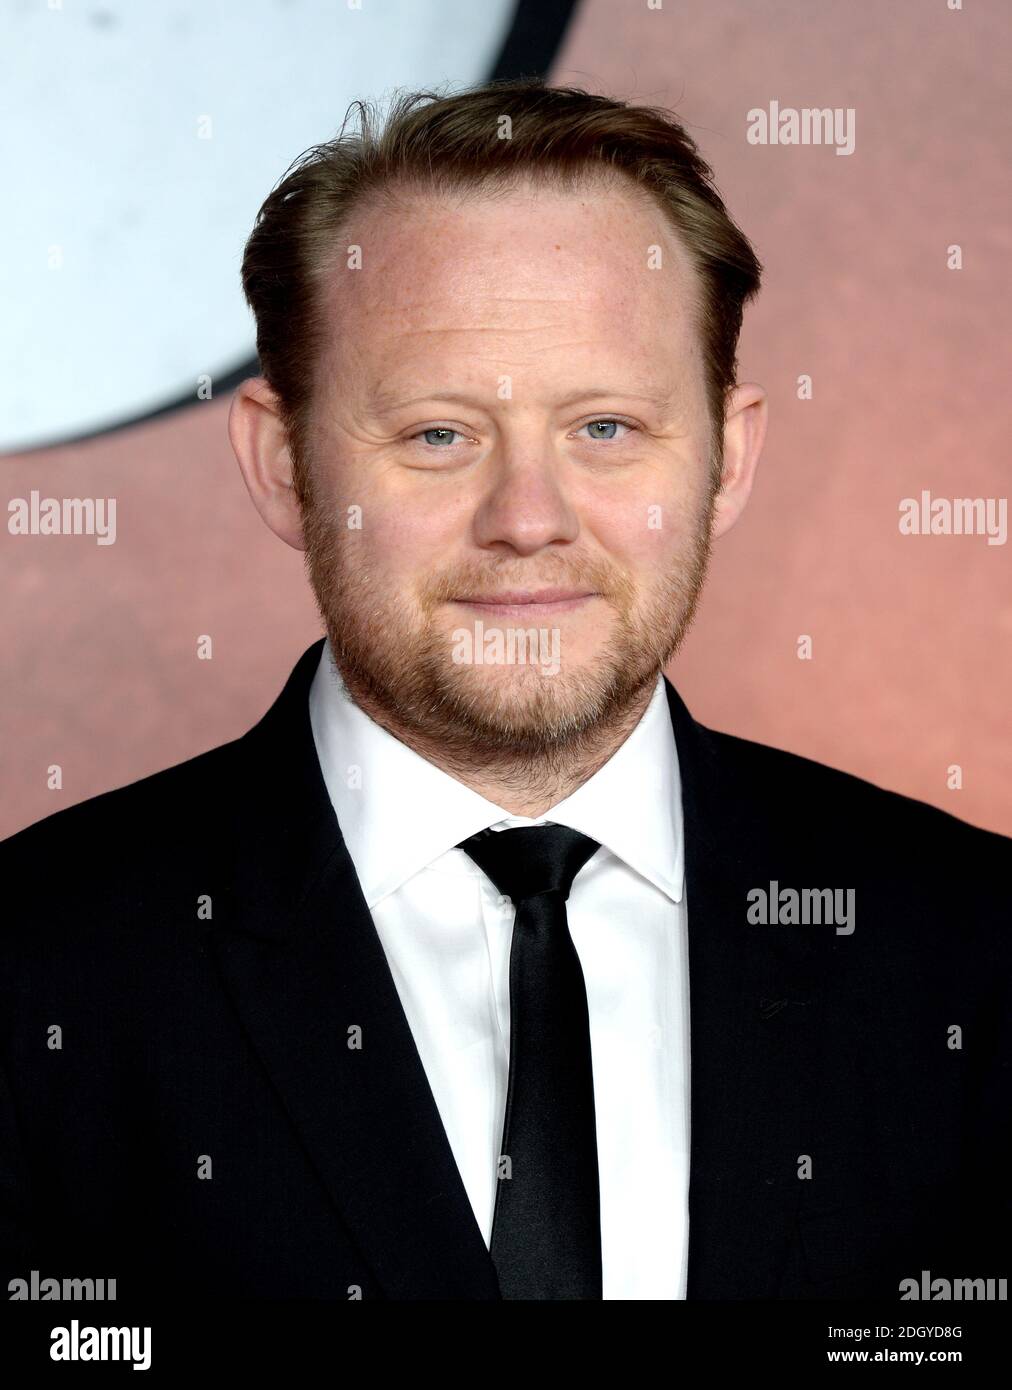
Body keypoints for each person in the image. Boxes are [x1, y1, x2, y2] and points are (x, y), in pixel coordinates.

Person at [1, 78, 1008, 1303]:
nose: (526, 521)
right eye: (438, 434)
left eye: (605, 428)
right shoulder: (37, 968)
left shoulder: (971, 949)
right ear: (281, 464)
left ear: (728, 457)